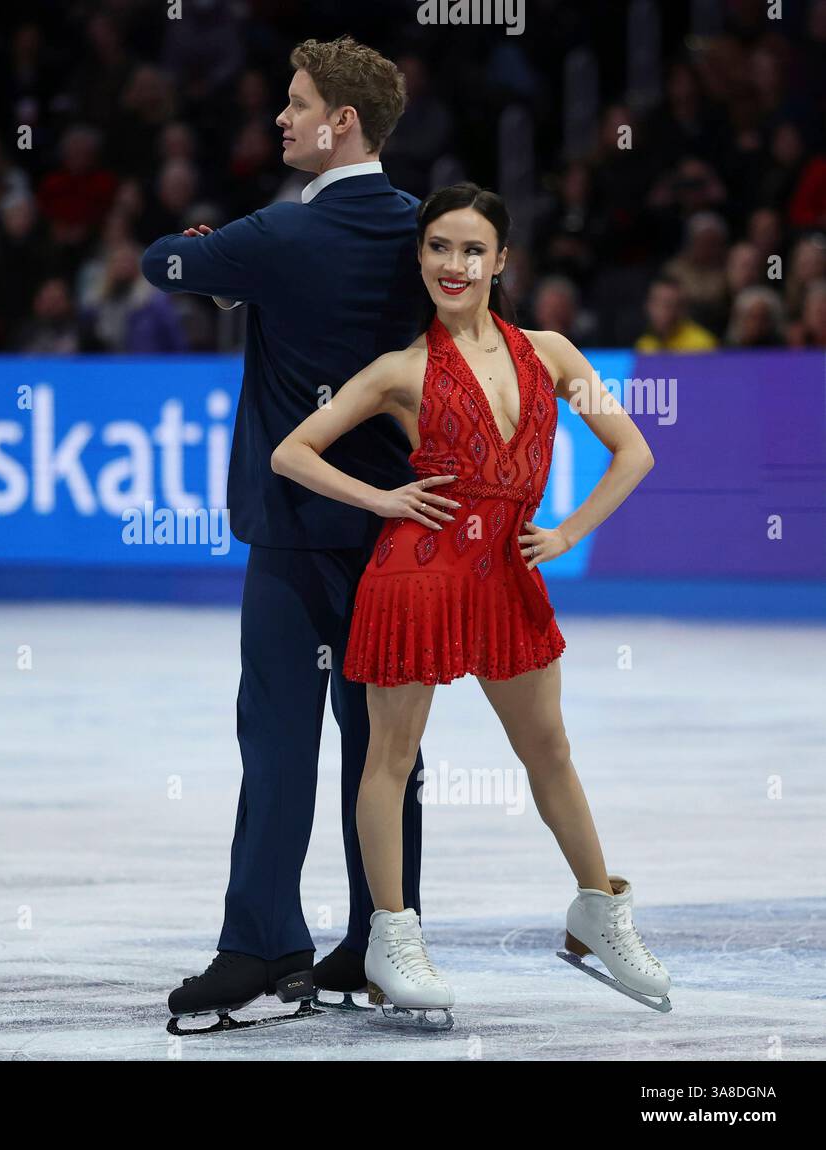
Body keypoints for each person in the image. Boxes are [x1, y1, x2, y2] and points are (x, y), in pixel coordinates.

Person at [271, 183, 672, 1019]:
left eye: (472, 249)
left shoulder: (554, 353)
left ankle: (597, 909)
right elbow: (292, 452)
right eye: (439, 248)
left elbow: (633, 452)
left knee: (551, 751)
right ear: (419, 258)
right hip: (415, 576)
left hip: (508, 578)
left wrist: (564, 534)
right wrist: (383, 500)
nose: (455, 264)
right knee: (391, 757)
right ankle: (391, 933)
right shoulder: (400, 369)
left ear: (500, 261)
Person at [141, 35, 426, 1032]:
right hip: (399, 536)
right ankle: (382, 940)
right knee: (385, 751)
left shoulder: (279, 233)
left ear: (339, 122)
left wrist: (217, 256)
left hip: (299, 534)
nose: (279, 118)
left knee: (276, 741)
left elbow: (160, 260)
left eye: (296, 103)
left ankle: (262, 945)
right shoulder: (422, 234)